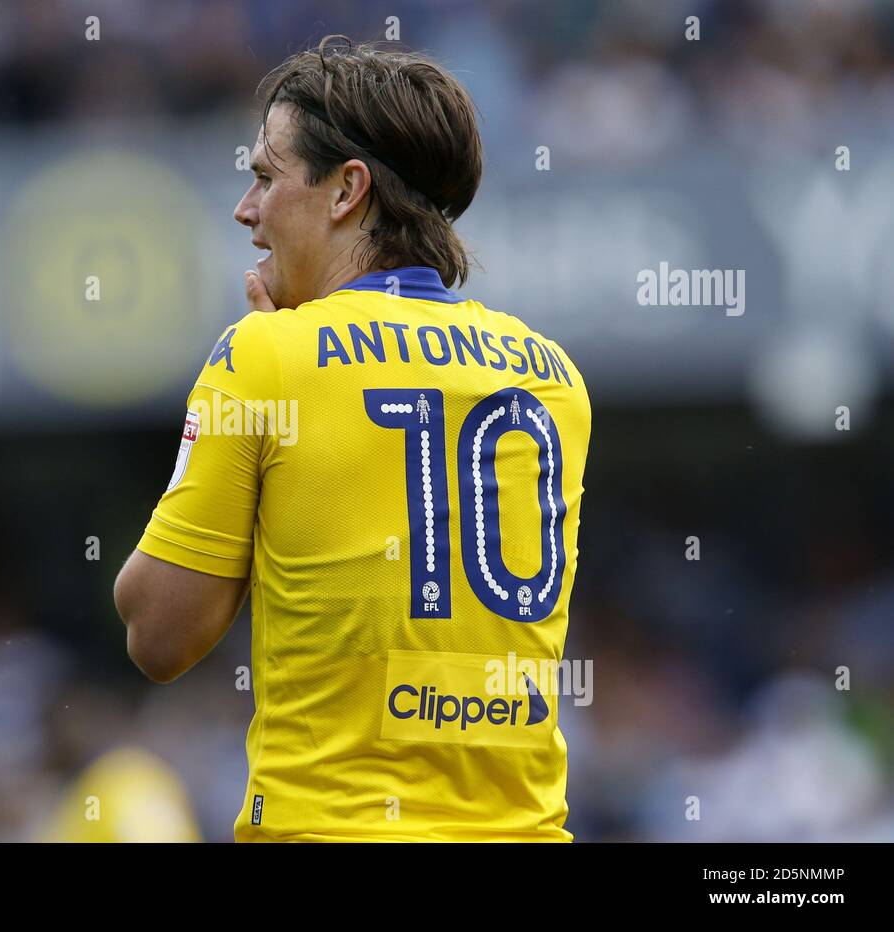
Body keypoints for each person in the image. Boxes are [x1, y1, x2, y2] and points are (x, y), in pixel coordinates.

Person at [115, 36, 591, 841]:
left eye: (266, 176)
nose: (246, 208)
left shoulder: (266, 355)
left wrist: (266, 390)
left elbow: (157, 632)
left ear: (347, 191)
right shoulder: (554, 376)